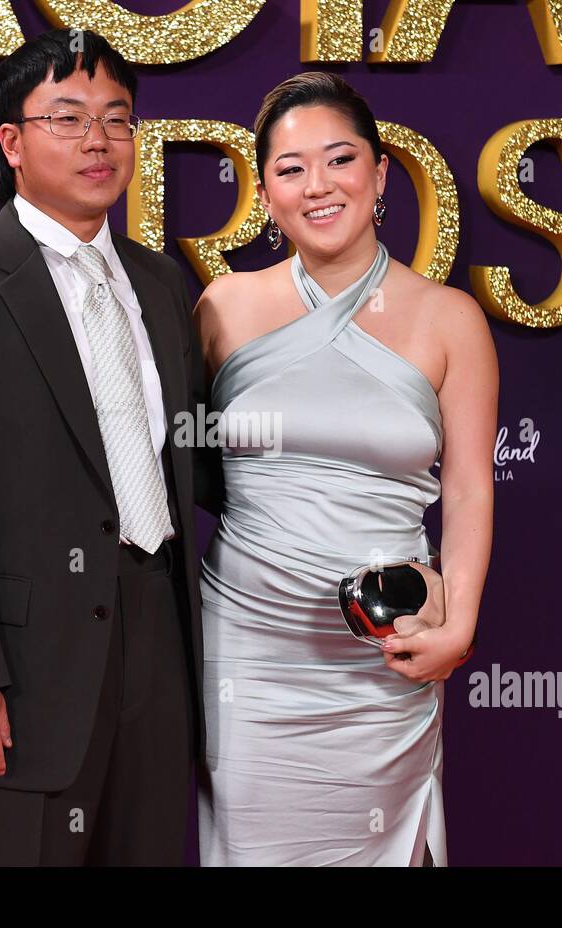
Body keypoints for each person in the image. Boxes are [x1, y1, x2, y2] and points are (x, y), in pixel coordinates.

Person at [0, 28, 220, 866]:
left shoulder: (160, 282)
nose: (98, 140)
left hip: (158, 638)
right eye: (67, 118)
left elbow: (196, 456)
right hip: (20, 663)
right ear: (12, 142)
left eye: (117, 118)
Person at [193, 72, 498, 866]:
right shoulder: (223, 307)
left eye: (339, 160)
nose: (318, 186)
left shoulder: (449, 318)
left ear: (380, 173)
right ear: (265, 192)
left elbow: (468, 488)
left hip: (384, 656)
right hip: (249, 659)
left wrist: (458, 623)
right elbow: (174, 466)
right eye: (291, 170)